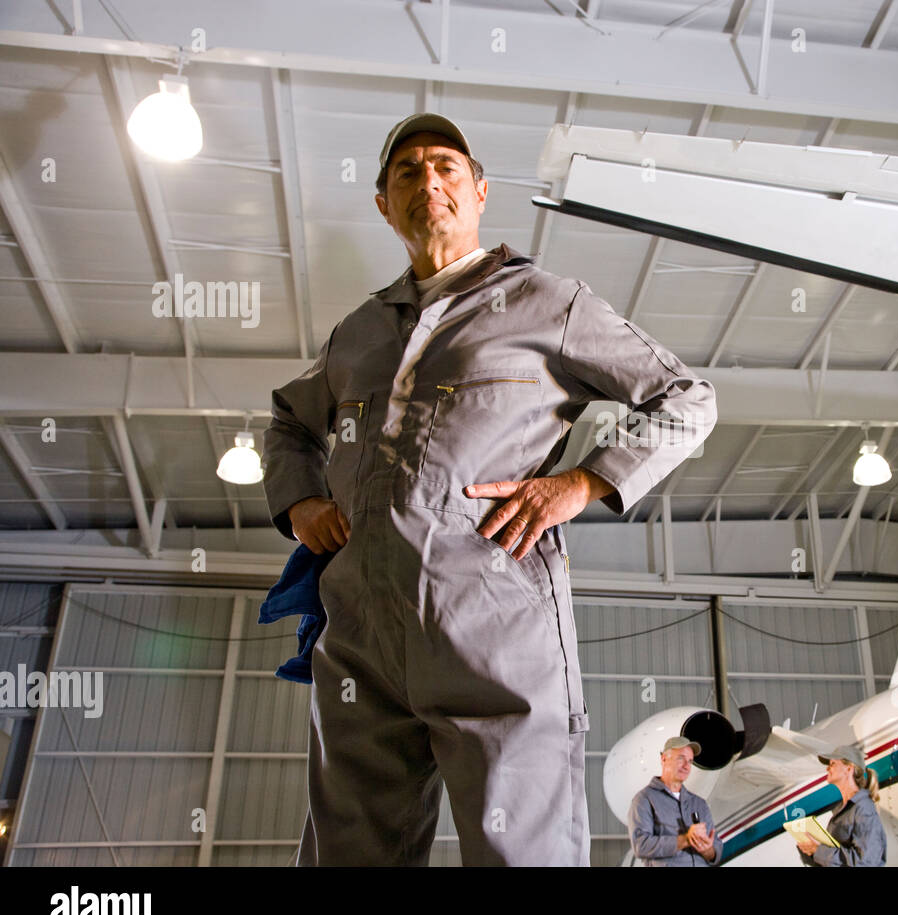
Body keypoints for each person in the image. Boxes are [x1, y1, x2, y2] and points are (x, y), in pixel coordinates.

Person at [262, 113, 717, 866]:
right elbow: (288, 421)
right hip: (362, 641)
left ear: (479, 191)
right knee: (348, 854)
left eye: (444, 166)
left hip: (495, 625)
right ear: (383, 204)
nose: (426, 182)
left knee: (521, 853)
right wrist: (300, 502)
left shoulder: (547, 302)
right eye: (405, 171)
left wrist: (580, 482)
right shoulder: (356, 335)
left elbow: (687, 399)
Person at [627, 736, 723, 866]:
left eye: (690, 761)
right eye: (681, 758)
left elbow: (715, 852)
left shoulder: (699, 803)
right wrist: (685, 840)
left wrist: (708, 850)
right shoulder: (644, 800)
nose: (686, 766)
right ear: (664, 758)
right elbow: (641, 845)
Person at [793, 744, 886, 866]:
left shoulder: (864, 809)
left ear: (849, 769)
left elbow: (868, 862)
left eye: (832, 764)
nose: (827, 769)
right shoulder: (841, 812)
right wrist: (809, 852)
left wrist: (819, 851)